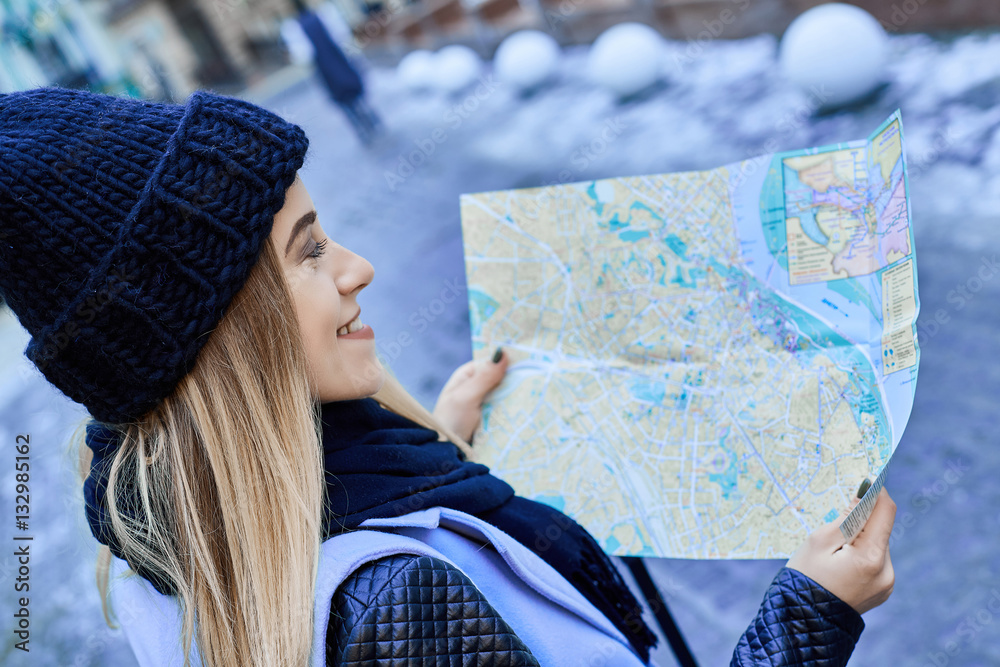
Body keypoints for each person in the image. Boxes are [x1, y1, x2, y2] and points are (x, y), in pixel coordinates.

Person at [0, 87, 896, 667]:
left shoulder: (156, 526)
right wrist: (810, 618)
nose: (357, 267)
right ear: (232, 338)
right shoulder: (394, 603)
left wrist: (441, 438)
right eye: (309, 254)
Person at [287, 0, 383, 146]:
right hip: (338, 58)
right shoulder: (323, 15)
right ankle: (370, 118)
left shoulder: (295, 28)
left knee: (341, 97)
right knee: (353, 88)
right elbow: (340, 34)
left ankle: (360, 126)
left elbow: (304, 55)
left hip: (324, 67)